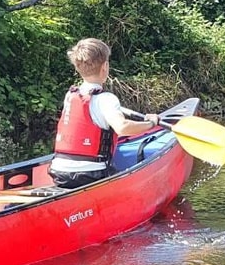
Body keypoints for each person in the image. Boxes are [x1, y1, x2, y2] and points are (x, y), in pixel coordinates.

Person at [49, 38, 161, 188]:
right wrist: (151, 123)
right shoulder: (106, 99)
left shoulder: (71, 95)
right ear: (105, 67)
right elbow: (122, 128)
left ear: (77, 68)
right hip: (91, 175)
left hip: (59, 172)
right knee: (132, 182)